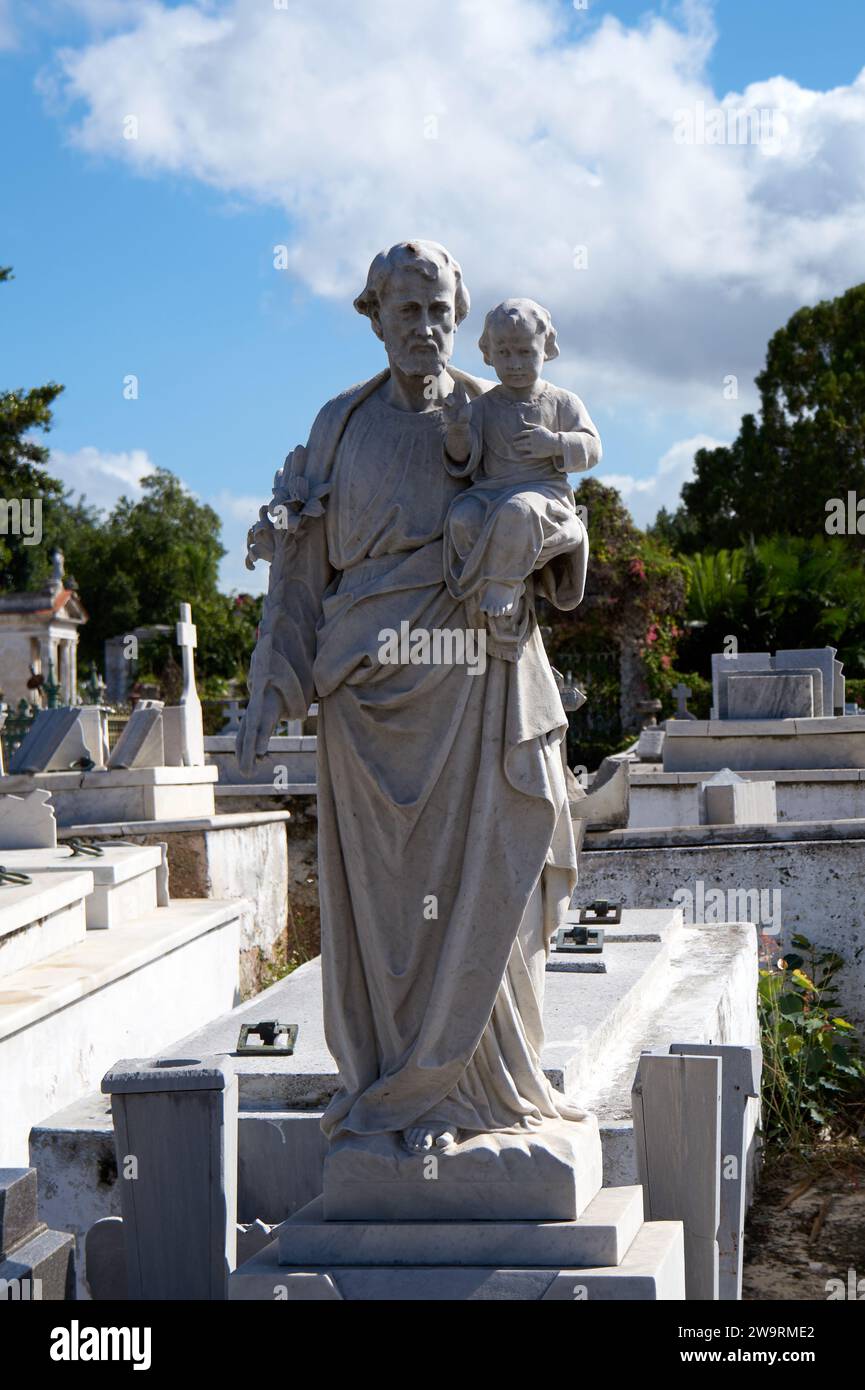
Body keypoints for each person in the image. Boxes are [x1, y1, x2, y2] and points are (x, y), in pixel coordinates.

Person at [238, 241, 592, 1155]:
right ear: (375, 317)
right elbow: (303, 566)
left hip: (475, 686)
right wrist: (276, 675)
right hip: (365, 701)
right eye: (409, 313)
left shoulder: (495, 407)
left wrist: (531, 540)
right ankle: (400, 1086)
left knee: (488, 896)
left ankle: (481, 1094)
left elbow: (556, 508)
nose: (428, 329)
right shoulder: (337, 425)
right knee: (393, 917)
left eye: (441, 312)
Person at [442, 297, 600, 658]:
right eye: (504, 352)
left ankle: (504, 583)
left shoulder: (562, 402)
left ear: (546, 349)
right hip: (490, 493)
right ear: (489, 353)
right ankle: (483, 593)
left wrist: (554, 443)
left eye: (525, 352)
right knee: (462, 517)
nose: (514, 364)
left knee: (520, 510)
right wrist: (458, 429)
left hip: (544, 497)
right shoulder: (482, 407)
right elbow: (463, 459)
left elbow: (592, 449)